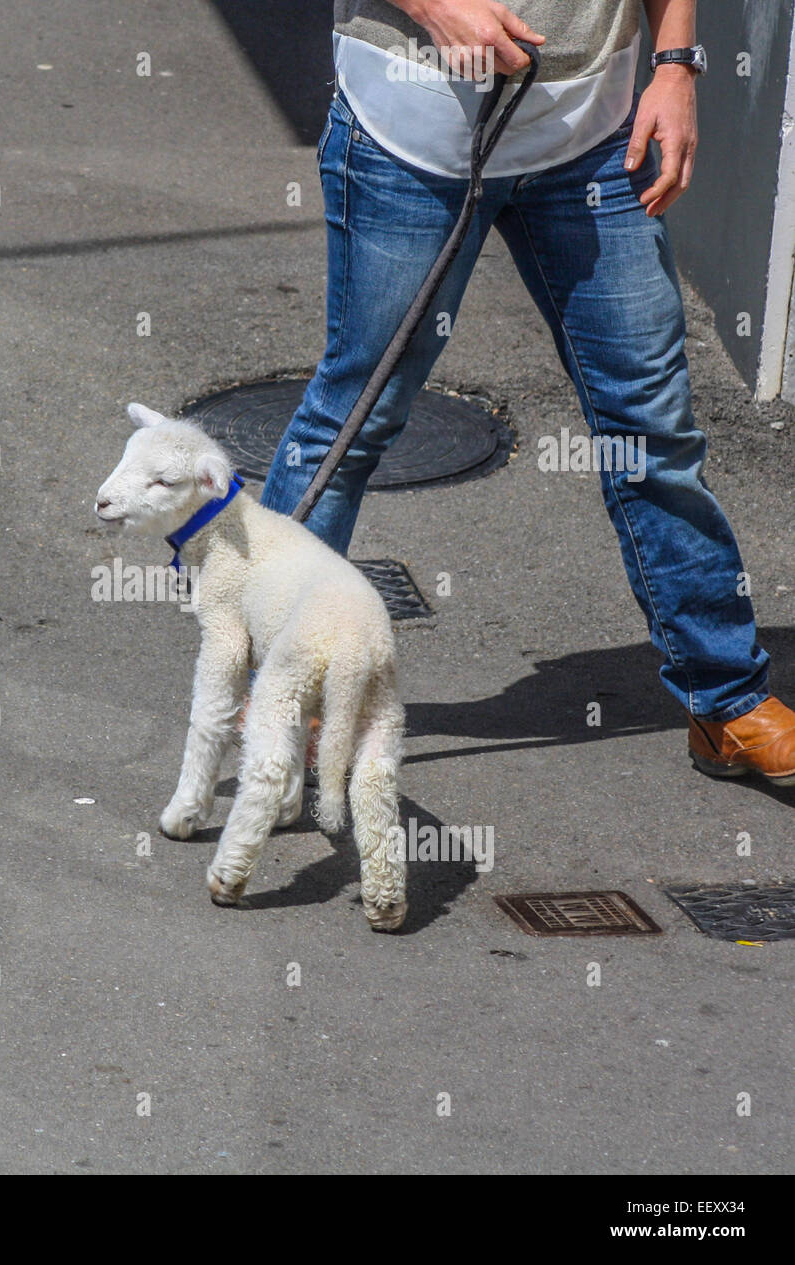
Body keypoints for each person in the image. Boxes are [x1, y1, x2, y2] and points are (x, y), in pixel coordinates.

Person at [260, 0, 794, 787]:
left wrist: (677, 68)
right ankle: (271, 691)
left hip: (593, 134)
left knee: (653, 430)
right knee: (355, 420)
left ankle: (725, 702)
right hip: (414, 129)